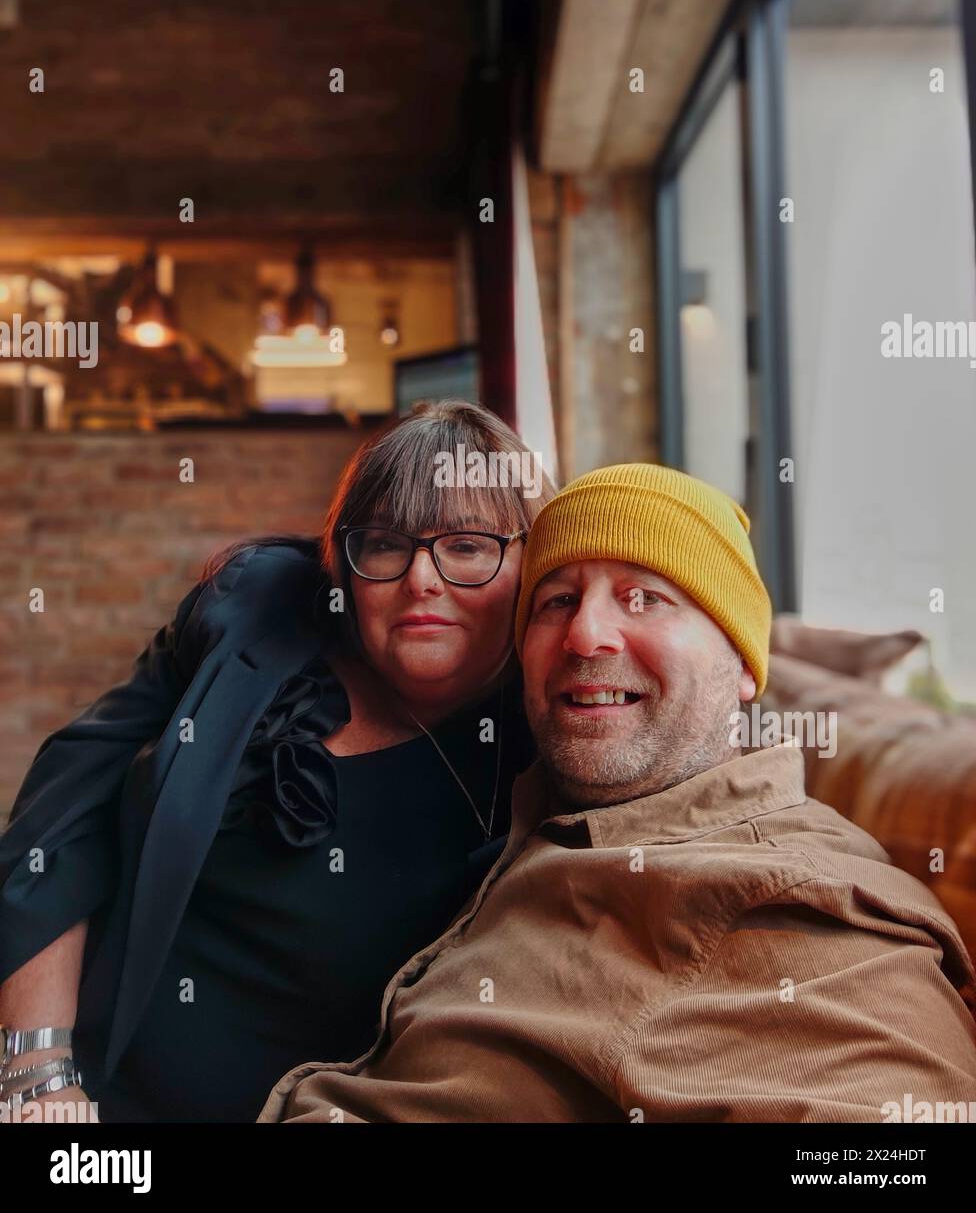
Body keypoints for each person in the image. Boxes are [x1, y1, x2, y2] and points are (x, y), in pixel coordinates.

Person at [257, 463, 976, 1123]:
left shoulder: (787, 900)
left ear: (744, 664)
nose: (586, 634)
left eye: (646, 597)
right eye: (558, 600)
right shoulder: (540, 810)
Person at [0, 401, 553, 1122]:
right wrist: (38, 1072)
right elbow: (67, 803)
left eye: (468, 546)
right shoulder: (256, 614)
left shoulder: (552, 724)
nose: (422, 578)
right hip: (93, 1092)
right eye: (385, 544)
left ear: (530, 563)